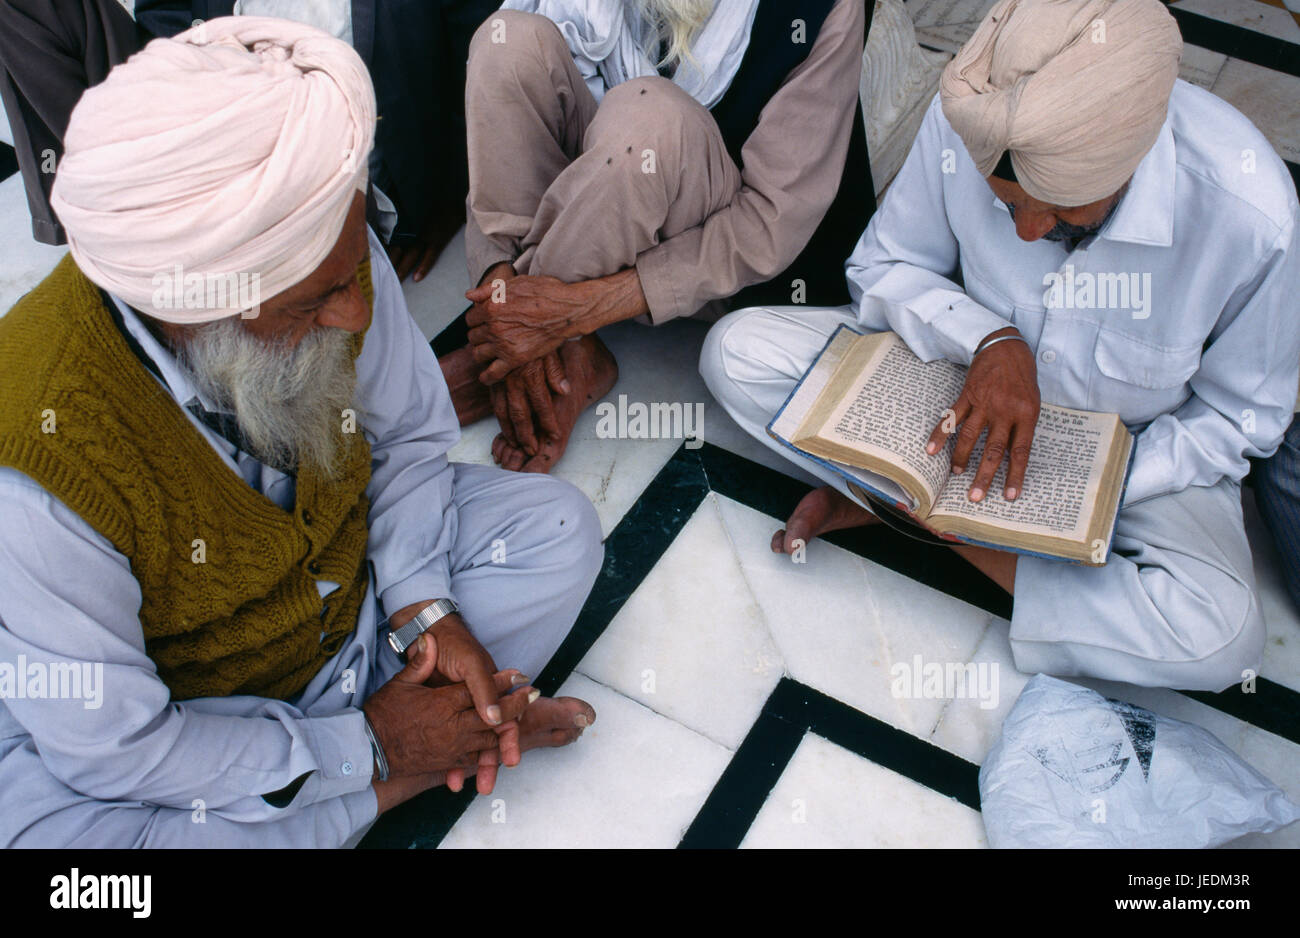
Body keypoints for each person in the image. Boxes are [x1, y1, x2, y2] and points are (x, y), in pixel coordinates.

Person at [0, 16, 602, 847]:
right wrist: (379, 746)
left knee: (556, 533)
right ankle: (403, 775)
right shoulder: (36, 458)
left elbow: (410, 441)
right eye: (311, 306)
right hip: (194, 704)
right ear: (194, 310)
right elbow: (118, 750)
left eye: (349, 274)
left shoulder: (321, 245)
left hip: (350, 619)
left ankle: (344, 781)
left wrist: (425, 612)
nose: (356, 310)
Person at [702, 0, 1300, 691]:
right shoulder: (970, 119)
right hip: (955, 389)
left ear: (1126, 166)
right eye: (1007, 204)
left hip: (1137, 446)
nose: (1024, 233)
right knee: (737, 352)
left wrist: (1094, 487)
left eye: (1053, 211)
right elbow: (883, 268)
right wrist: (991, 339)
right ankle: (950, 521)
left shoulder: (1252, 214)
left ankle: (918, 523)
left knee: (1221, 637)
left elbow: (1241, 420)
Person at [445, 0, 874, 472]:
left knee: (650, 115)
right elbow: (506, 138)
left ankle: (537, 347)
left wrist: (580, 311)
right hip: (599, 198)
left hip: (710, 256)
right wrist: (497, 289)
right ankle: (538, 344)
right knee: (506, 41)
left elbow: (769, 223)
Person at [0, 0, 496, 276]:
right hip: (220, 134)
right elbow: (166, 19)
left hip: (344, 168)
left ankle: (184, 247)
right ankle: (109, 221)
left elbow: (475, 48)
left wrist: (452, 191)